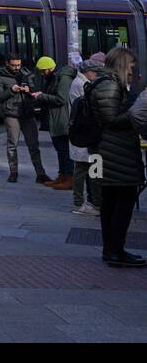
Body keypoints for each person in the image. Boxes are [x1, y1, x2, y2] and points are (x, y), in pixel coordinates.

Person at [90, 47, 145, 267]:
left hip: (108, 152)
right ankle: (115, 250)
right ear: (122, 64)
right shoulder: (110, 85)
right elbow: (111, 120)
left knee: (111, 202)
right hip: (114, 153)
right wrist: (135, 114)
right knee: (121, 202)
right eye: (131, 66)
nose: (133, 70)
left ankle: (112, 249)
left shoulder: (106, 83)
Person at [0, 53, 50, 184]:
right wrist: (11, 90)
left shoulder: (27, 73)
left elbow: (36, 90)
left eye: (19, 64)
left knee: (34, 145)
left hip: (28, 113)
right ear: (7, 63)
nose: (17, 67)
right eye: (14, 65)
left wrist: (29, 89)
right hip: (11, 114)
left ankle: (40, 174)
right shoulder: (0, 76)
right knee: (12, 145)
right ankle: (13, 172)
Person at [31, 55, 77, 190]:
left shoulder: (63, 78)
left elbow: (61, 98)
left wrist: (41, 96)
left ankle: (69, 179)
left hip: (62, 119)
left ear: (49, 68)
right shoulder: (53, 77)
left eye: (42, 71)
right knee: (60, 150)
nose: (41, 74)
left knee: (64, 150)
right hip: (55, 118)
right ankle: (62, 176)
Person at [69, 56, 104, 216]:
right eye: (95, 72)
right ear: (88, 72)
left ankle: (94, 201)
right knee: (83, 169)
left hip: (85, 135)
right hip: (85, 135)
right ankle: (81, 203)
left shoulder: (83, 83)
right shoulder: (81, 85)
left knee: (91, 169)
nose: (96, 75)